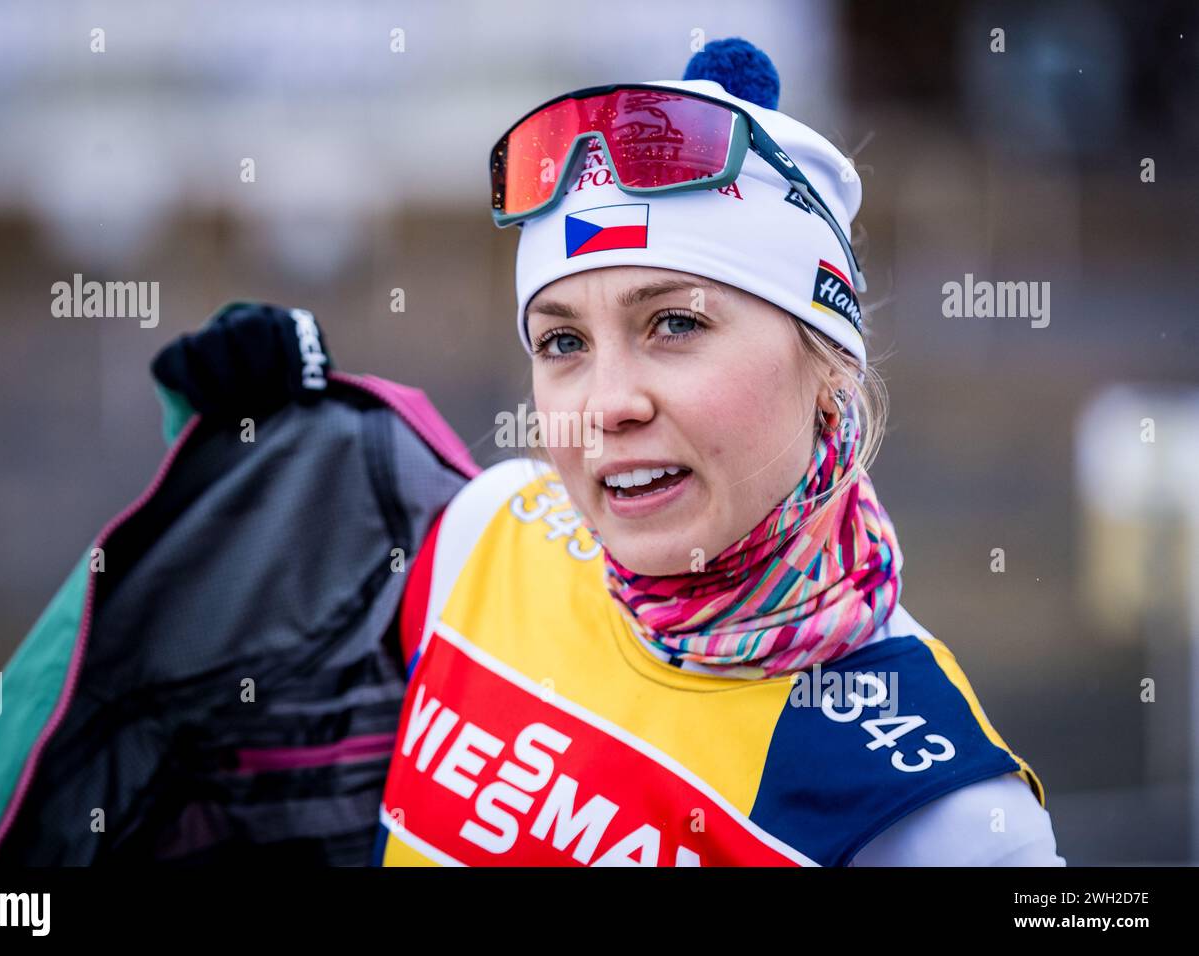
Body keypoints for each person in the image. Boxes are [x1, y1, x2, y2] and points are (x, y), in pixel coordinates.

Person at [372, 38, 1065, 867]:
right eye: (563, 340)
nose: (607, 405)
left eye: (675, 324)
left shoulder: (948, 815)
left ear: (828, 368)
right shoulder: (483, 532)